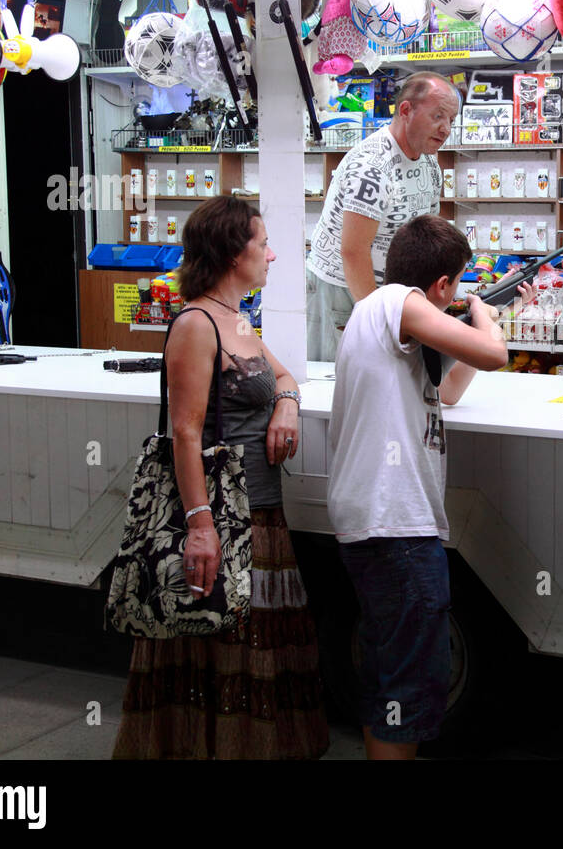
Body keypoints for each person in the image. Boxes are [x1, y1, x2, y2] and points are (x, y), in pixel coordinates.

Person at [114, 196, 331, 759]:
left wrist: (286, 406)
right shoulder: (196, 323)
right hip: (222, 517)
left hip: (258, 511)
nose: (272, 255)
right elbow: (184, 433)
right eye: (264, 244)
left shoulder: (236, 317)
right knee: (221, 641)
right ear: (235, 253)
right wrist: (200, 527)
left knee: (247, 642)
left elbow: (284, 376)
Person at [326, 215, 514, 759]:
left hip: (382, 524)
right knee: (409, 684)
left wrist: (484, 316)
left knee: (390, 675)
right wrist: (484, 319)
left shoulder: (385, 318)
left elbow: (449, 391)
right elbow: (496, 355)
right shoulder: (397, 302)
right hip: (396, 526)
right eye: (455, 286)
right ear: (440, 285)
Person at [306, 72, 460, 362]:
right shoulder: (373, 167)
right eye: (438, 116)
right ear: (406, 110)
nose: (446, 129)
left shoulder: (428, 161)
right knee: (339, 379)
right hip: (343, 289)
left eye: (451, 120)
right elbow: (353, 252)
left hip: (388, 293)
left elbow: (426, 237)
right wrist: (377, 321)